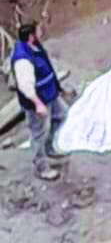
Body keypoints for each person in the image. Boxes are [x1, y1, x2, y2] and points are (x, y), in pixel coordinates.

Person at [11, 22, 68, 181]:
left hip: (50, 94)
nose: (41, 32)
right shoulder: (23, 60)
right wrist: (38, 104)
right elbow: (25, 85)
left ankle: (49, 147)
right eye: (38, 30)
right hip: (39, 99)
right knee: (38, 133)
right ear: (30, 36)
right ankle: (41, 167)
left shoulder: (34, 46)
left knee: (61, 115)